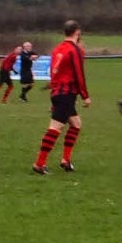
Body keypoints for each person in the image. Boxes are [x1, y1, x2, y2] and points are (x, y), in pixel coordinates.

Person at [32, 20, 89, 175]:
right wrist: (85, 96)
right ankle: (39, 163)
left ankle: (66, 160)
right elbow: (79, 73)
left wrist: (54, 90)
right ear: (77, 32)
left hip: (59, 93)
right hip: (66, 94)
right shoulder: (73, 50)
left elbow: (53, 71)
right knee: (55, 128)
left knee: (76, 124)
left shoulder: (58, 49)